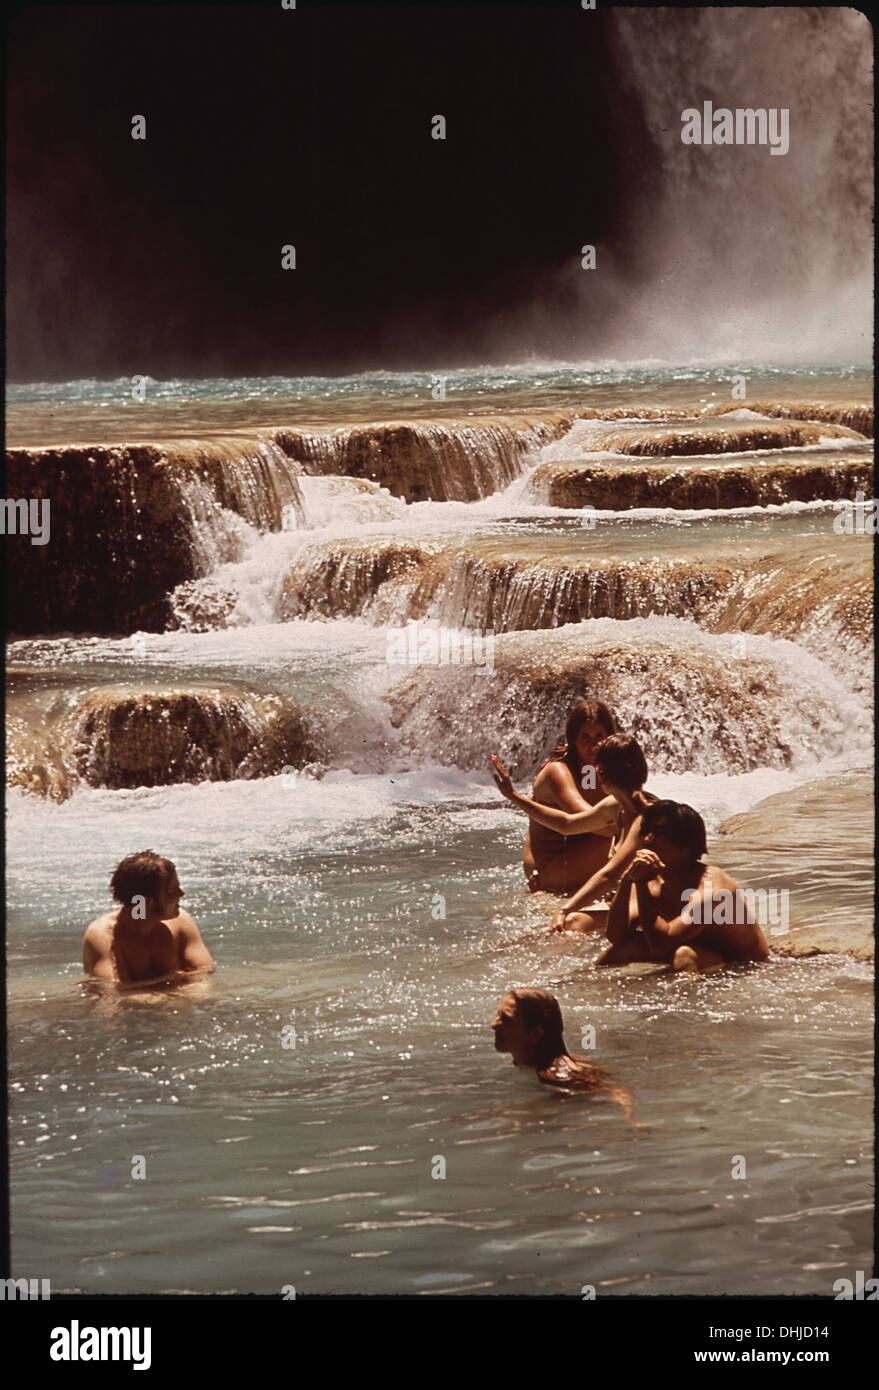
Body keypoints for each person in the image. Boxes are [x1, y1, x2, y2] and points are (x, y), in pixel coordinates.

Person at [492, 732, 656, 931]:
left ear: (602, 773)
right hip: (625, 899)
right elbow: (567, 823)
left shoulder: (645, 818)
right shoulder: (616, 805)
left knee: (569, 923)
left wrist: (565, 909)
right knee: (555, 930)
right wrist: (514, 797)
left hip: (651, 906)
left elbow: (609, 876)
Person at [596, 801, 770, 972]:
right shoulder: (649, 876)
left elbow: (662, 945)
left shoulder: (711, 887)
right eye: (646, 830)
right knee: (618, 952)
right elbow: (616, 937)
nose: (647, 839)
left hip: (742, 966)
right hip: (689, 946)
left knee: (684, 956)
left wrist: (640, 883)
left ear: (685, 845)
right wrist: (628, 881)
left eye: (658, 833)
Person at [521, 699, 618, 895]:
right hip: (546, 872)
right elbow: (590, 822)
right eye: (585, 737)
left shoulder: (600, 769)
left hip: (580, 856)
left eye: (600, 736)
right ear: (573, 739)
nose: (594, 745)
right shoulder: (557, 771)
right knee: (629, 841)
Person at [491, 988, 634, 1117]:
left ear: (535, 1034)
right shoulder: (523, 1062)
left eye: (506, 1019)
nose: (494, 1025)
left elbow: (616, 1092)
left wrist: (629, 1118)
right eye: (497, 1016)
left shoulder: (561, 1075)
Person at [82, 851, 215, 987]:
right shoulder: (103, 935)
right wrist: (172, 980)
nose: (181, 893)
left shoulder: (181, 921)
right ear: (146, 902)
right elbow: (112, 992)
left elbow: (205, 972)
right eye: (172, 889)